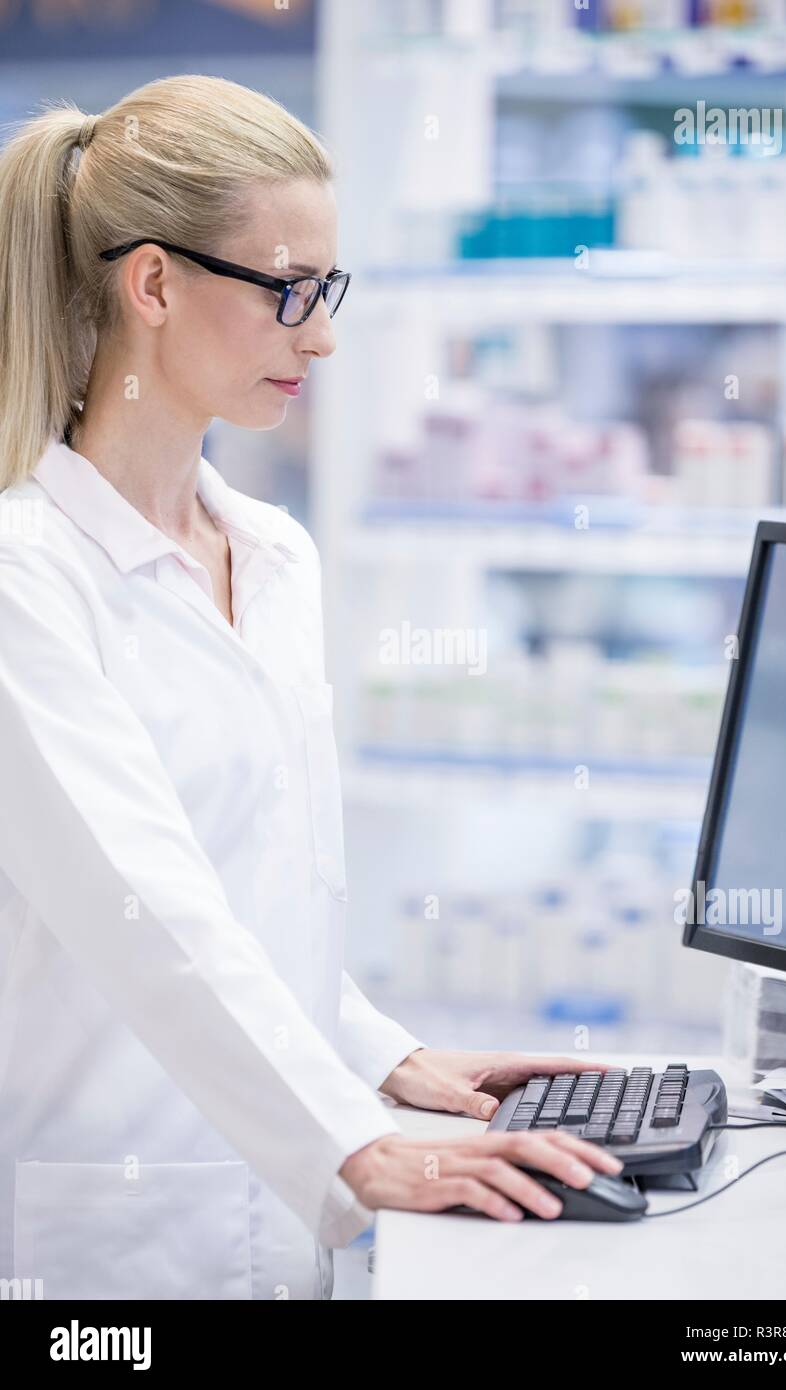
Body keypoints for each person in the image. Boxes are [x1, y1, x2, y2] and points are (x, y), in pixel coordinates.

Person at [0, 75, 622, 1302]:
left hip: (278, 1230)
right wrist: (355, 1147)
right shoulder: (27, 581)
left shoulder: (275, 557)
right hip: (117, 1244)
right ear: (155, 284)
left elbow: (260, 896)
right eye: (289, 292)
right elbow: (153, 917)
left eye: (327, 292)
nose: (321, 336)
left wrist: (391, 1061)